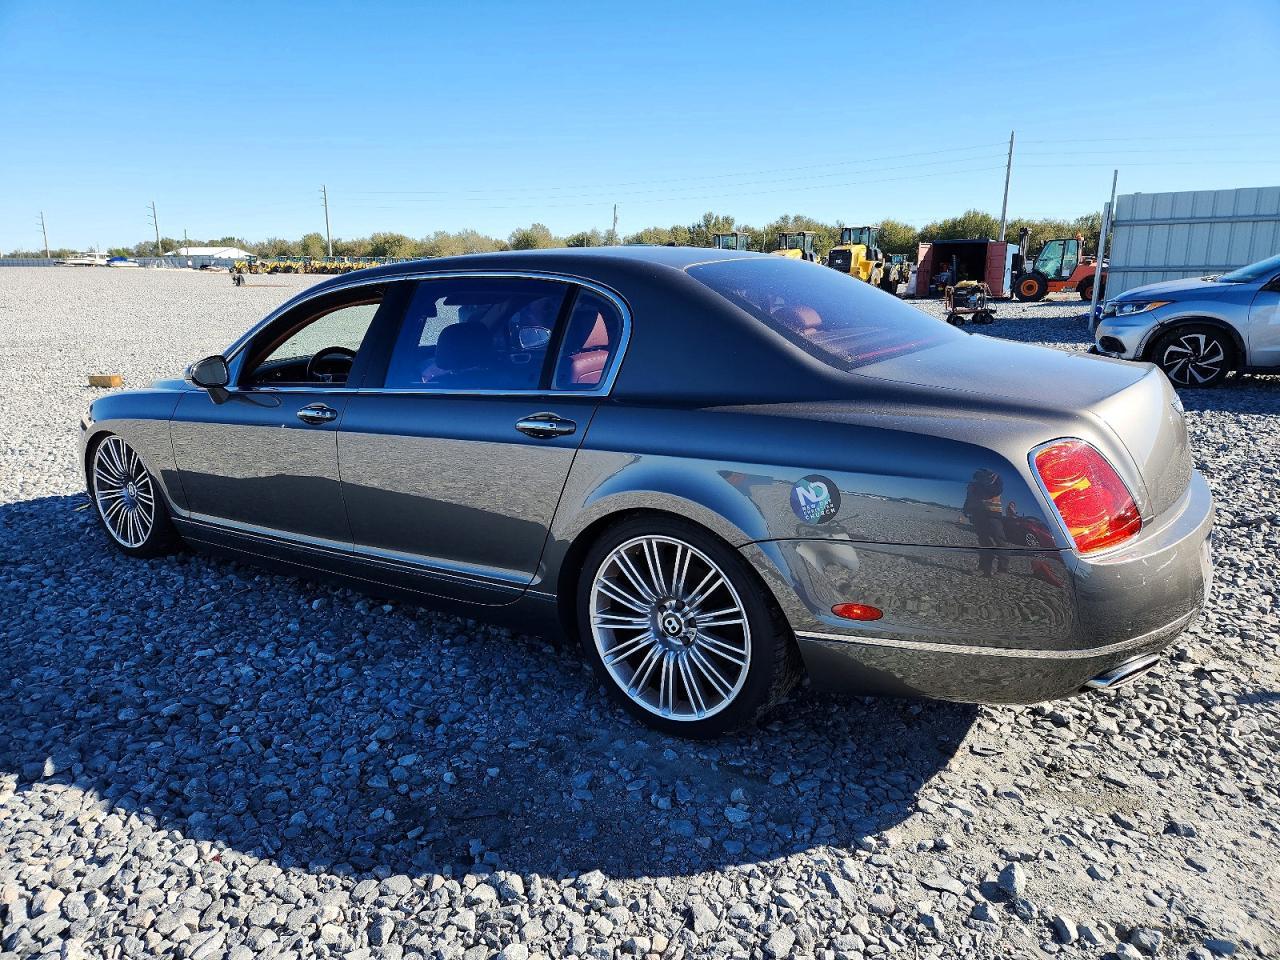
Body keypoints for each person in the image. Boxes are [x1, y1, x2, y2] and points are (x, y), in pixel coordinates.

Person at [963, 468, 1009, 576]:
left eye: (981, 476)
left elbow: (995, 491)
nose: (979, 478)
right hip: (978, 515)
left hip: (993, 514)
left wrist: (985, 481)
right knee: (984, 542)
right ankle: (984, 568)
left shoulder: (994, 480)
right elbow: (969, 498)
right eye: (977, 477)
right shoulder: (973, 485)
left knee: (999, 540)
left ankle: (1003, 569)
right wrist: (966, 509)